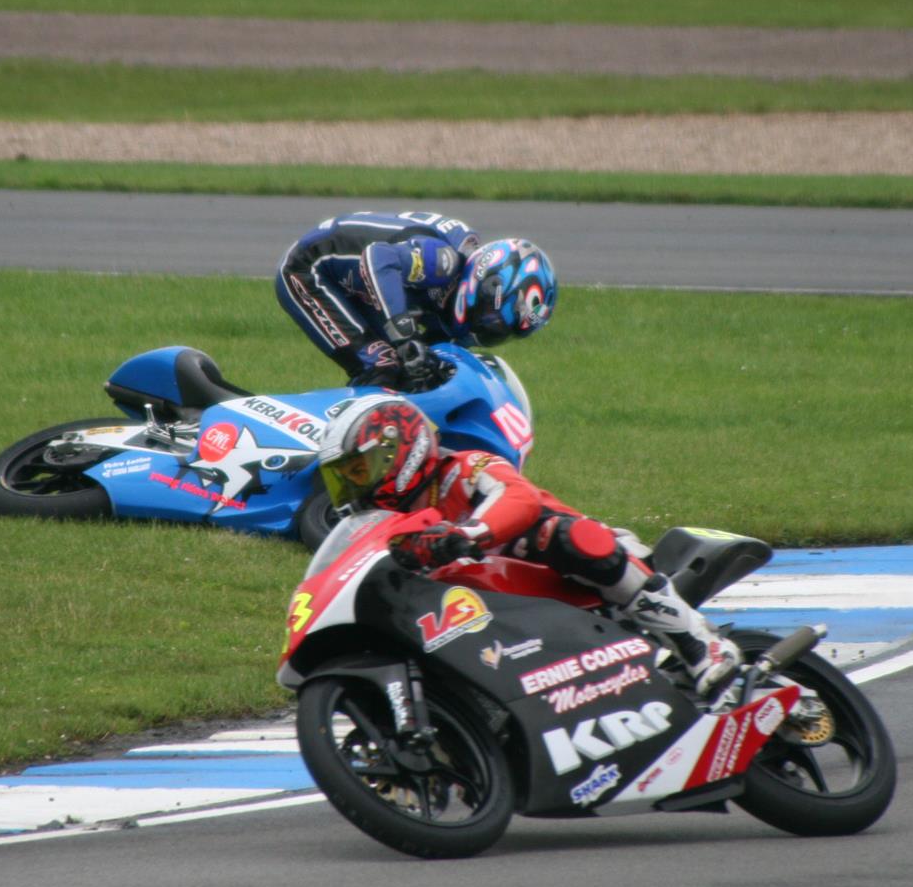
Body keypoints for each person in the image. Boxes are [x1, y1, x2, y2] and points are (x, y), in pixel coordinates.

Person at [315, 395, 743, 697]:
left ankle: (699, 641)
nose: (354, 485)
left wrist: (469, 534)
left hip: (582, 575)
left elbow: (520, 500)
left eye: (359, 469)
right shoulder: (399, 525)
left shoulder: (464, 466)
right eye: (344, 477)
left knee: (555, 534)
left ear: (397, 449)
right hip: (507, 622)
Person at [275, 210, 556, 389]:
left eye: (498, 334)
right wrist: (406, 336)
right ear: (486, 287)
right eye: (492, 322)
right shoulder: (444, 261)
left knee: (417, 373)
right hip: (310, 269)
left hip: (355, 287)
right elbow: (378, 258)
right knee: (381, 365)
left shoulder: (457, 289)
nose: (484, 330)